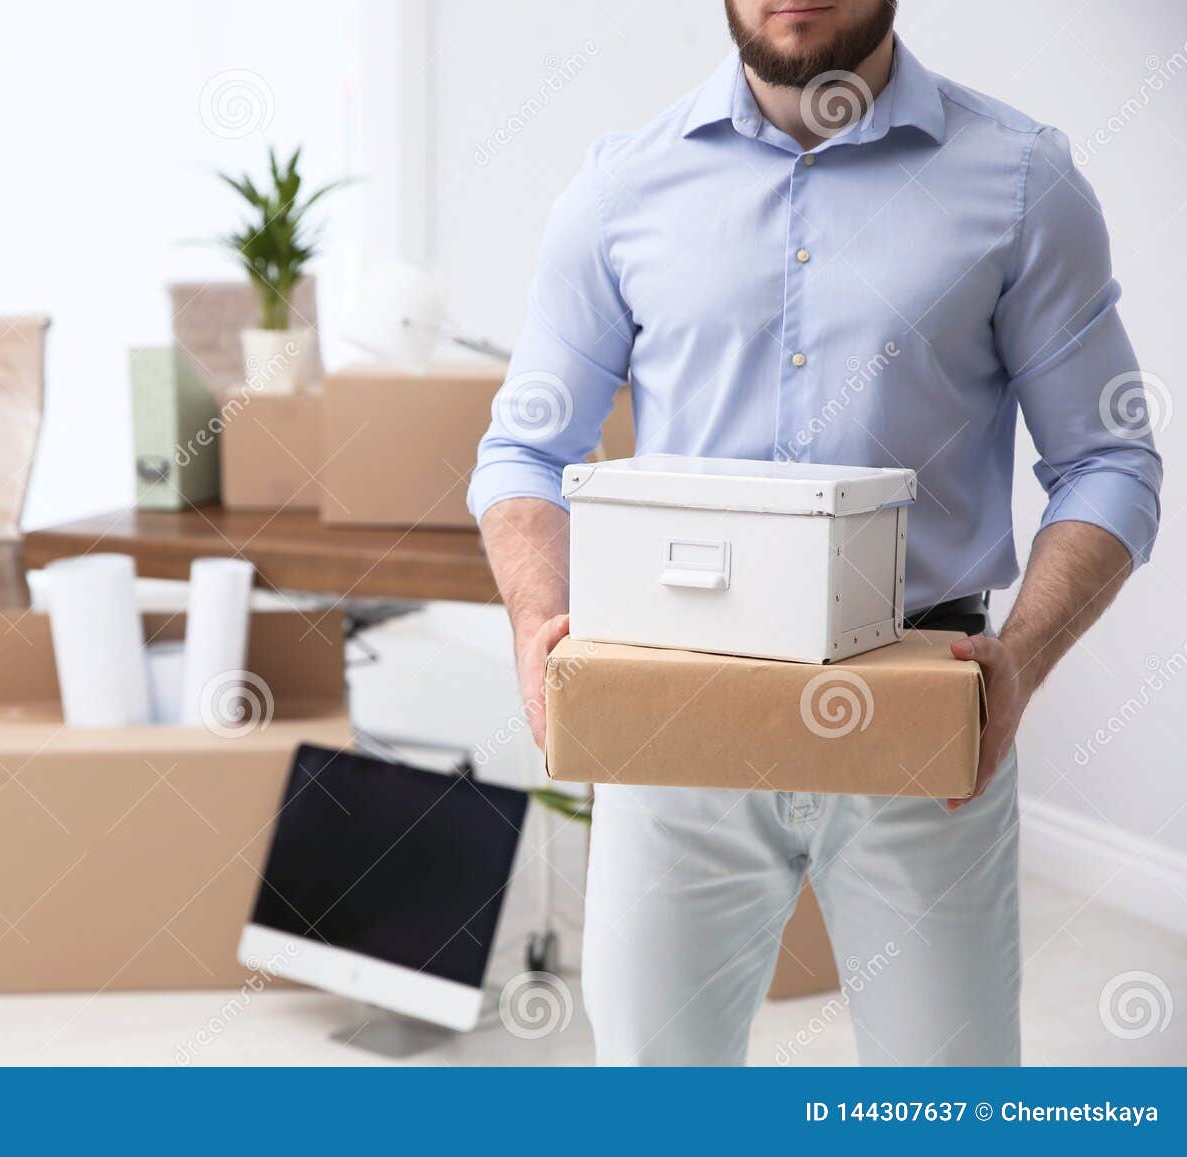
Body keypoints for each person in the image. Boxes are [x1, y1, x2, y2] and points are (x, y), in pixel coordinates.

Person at [469, 0, 1163, 1065]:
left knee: (951, 1102)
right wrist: (535, 629)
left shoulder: (1022, 182)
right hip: (673, 718)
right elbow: (523, 451)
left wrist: (1017, 663)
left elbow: (1109, 461)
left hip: (924, 728)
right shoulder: (619, 189)